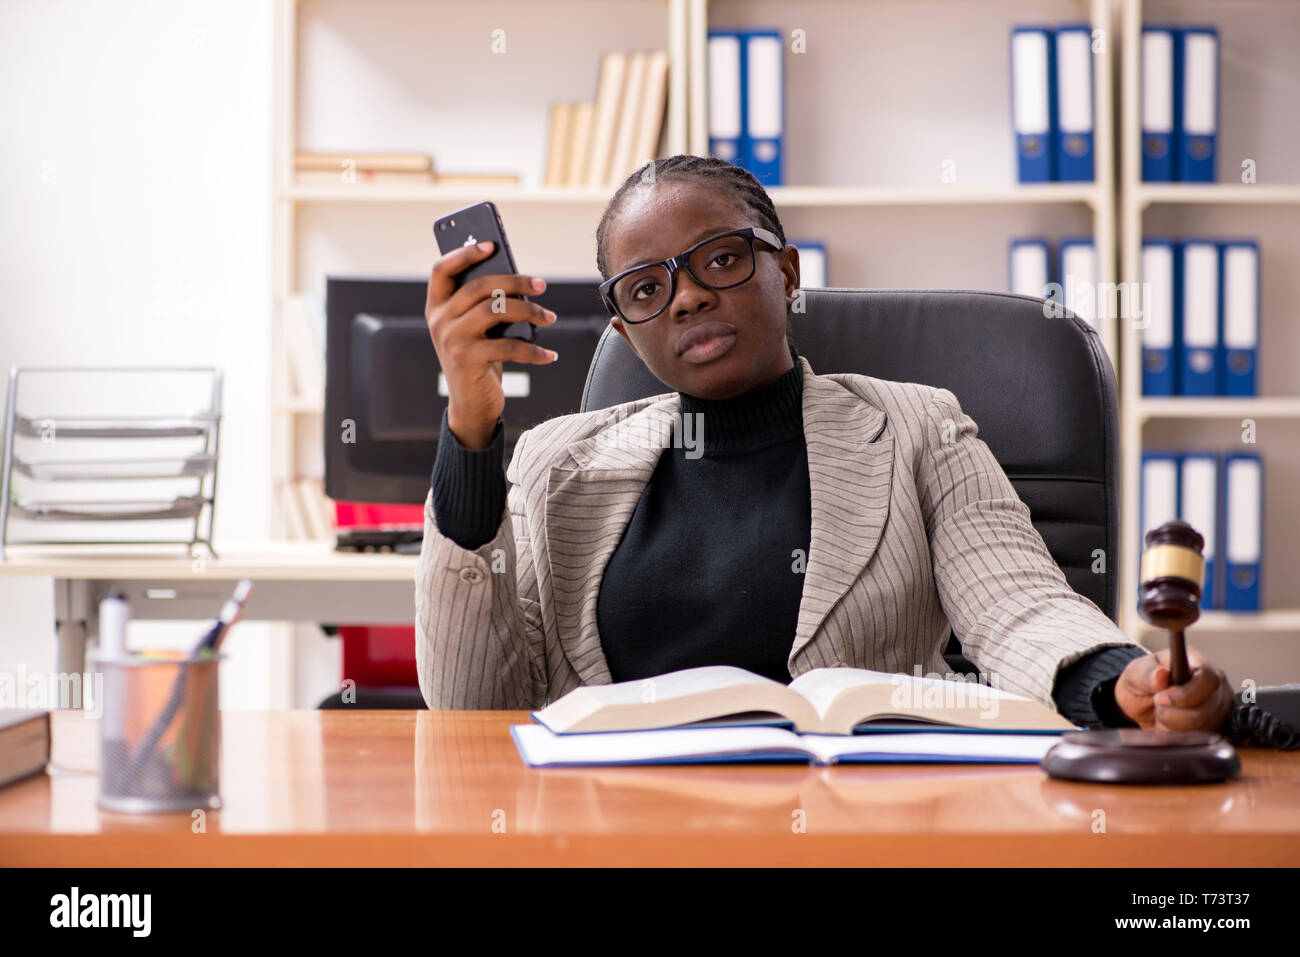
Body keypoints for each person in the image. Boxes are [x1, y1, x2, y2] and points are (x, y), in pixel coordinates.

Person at [416, 154, 1235, 734]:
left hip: (861, 829)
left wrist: (1117, 677)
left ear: (789, 272)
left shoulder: (920, 425)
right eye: (647, 287)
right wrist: (472, 428)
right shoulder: (556, 464)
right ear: (628, 333)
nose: (691, 296)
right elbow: (469, 702)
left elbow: (1015, 603)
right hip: (612, 831)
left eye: (722, 259)